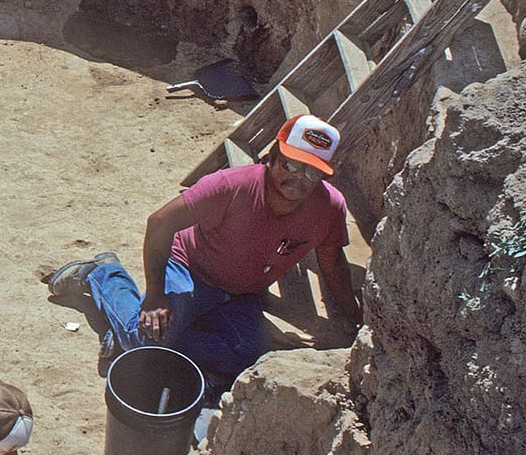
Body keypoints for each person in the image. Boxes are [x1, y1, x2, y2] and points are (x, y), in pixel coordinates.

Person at [47, 114, 363, 395]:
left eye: (311, 173)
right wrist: (155, 296)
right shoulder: (230, 187)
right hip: (190, 270)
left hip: (242, 294)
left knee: (249, 357)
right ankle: (103, 274)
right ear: (272, 156)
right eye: (290, 165)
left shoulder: (329, 207)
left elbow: (332, 262)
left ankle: (140, 338)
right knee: (146, 338)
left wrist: (352, 317)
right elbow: (159, 223)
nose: (297, 178)